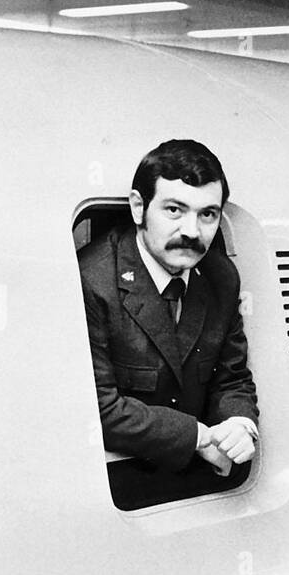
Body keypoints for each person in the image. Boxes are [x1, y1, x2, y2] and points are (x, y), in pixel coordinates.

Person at [80, 139, 258, 508]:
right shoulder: (92, 280)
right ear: (138, 207)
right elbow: (98, 407)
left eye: (207, 214)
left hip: (204, 485)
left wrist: (239, 425)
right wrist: (199, 438)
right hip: (119, 490)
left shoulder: (220, 277)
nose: (192, 231)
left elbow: (232, 378)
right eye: (175, 210)